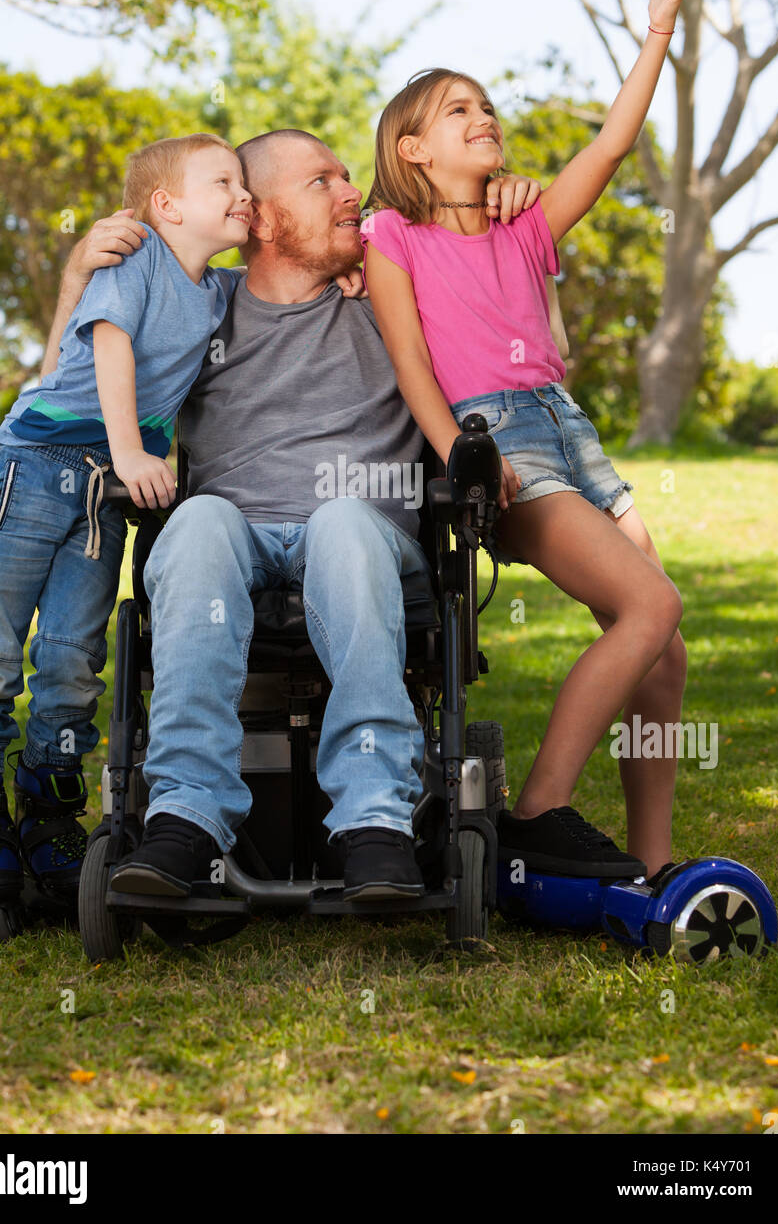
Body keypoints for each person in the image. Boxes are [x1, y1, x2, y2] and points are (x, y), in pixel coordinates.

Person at [47, 132, 542, 901]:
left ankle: (376, 820)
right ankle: (184, 815)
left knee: (341, 521)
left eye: (350, 177)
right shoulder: (196, 307)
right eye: (324, 181)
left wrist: (496, 201)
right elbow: (69, 384)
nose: (354, 193)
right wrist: (80, 272)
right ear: (266, 222)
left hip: (363, 536)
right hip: (233, 536)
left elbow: (518, 315)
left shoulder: (391, 299)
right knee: (202, 519)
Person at [360, 0, 688, 884]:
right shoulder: (393, 234)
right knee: (649, 603)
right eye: (456, 110)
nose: (484, 116)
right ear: (412, 149)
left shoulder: (525, 225)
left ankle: (650, 868)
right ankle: (535, 810)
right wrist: (464, 453)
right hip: (496, 438)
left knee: (662, 653)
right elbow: (411, 361)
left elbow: (613, 145)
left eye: (485, 104)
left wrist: (660, 23)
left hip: (570, 429)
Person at [0, 133, 251, 931]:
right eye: (225, 181)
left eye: (247, 183)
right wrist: (129, 449)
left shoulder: (218, 291)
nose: (244, 195)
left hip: (109, 489)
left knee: (74, 659)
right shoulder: (136, 258)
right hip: (37, 462)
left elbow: (287, 289)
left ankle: (49, 825)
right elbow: (108, 344)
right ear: (166, 205)